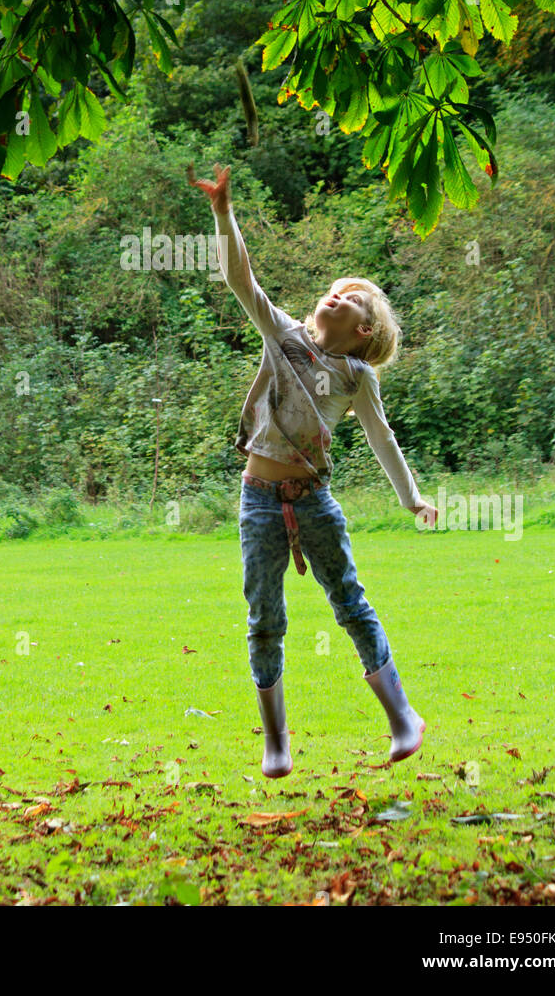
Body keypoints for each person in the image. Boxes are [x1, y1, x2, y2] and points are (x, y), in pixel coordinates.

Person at [189, 162, 438, 778]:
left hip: (314, 502)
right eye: (337, 287)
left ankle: (403, 718)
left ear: (363, 330)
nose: (337, 293)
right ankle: (276, 742)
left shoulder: (356, 376)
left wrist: (412, 500)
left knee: (350, 603)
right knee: (263, 617)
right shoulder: (283, 334)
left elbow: (382, 437)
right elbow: (240, 279)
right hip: (258, 500)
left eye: (353, 298)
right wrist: (223, 213)